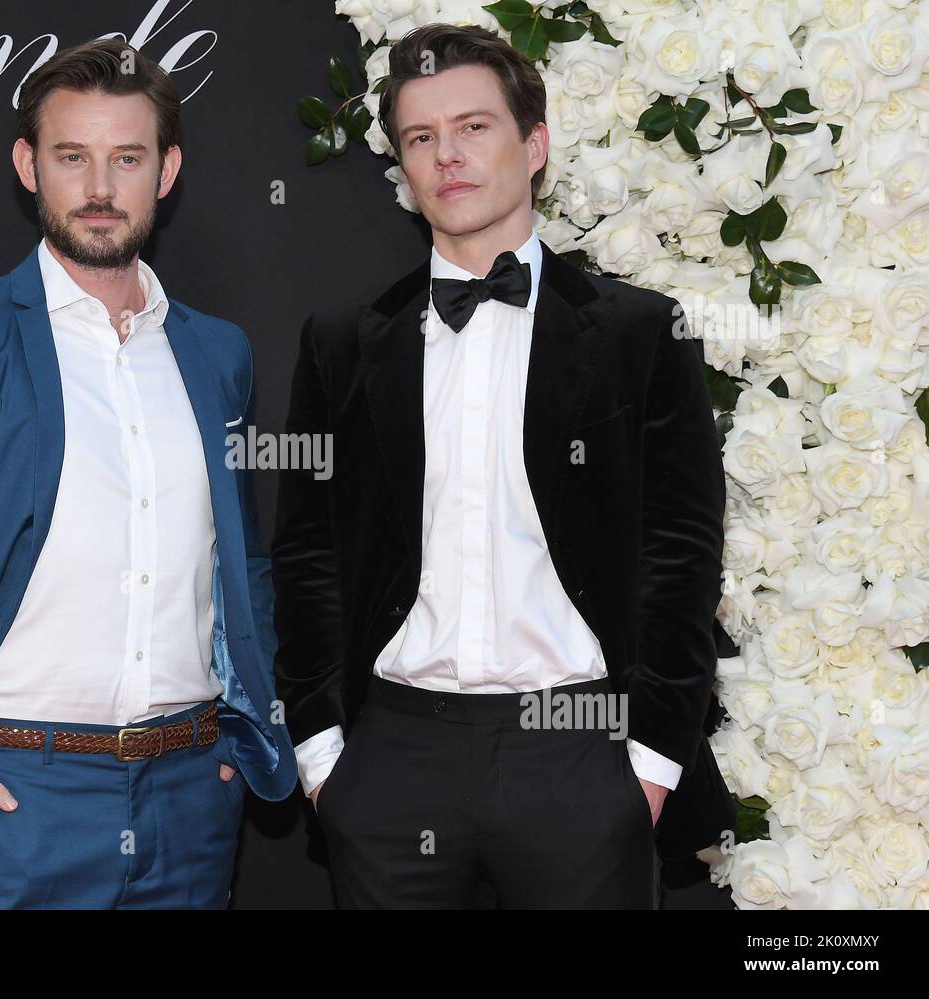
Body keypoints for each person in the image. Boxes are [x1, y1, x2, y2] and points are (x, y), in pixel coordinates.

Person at [0, 37, 295, 909]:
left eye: (127, 158)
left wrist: (238, 730)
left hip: (193, 800)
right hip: (8, 803)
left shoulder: (217, 352)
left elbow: (240, 562)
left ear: (168, 170)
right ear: (29, 165)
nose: (100, 188)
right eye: (74, 156)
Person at [271, 23, 731, 908]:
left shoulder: (642, 332)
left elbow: (681, 555)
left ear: (536, 144)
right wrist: (324, 758)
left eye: (475, 126)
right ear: (402, 168)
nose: (447, 155)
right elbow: (307, 558)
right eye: (420, 136)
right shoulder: (341, 342)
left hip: (582, 750)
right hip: (393, 755)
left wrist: (649, 767)